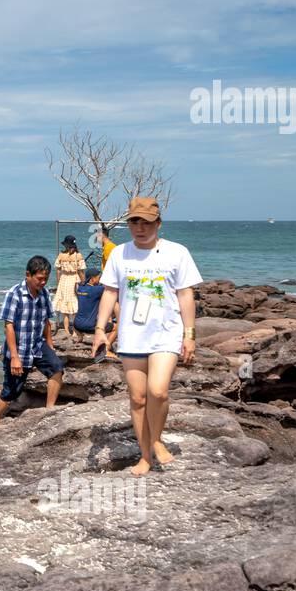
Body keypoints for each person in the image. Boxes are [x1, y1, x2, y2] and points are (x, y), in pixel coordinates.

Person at [91, 197, 202, 477]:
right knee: (138, 398)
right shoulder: (119, 254)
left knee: (158, 391)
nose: (140, 228)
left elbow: (186, 295)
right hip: (132, 336)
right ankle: (145, 456)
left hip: (166, 333)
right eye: (134, 222)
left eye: (147, 222)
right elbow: (110, 292)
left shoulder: (177, 252)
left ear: (158, 223)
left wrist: (189, 335)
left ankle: (156, 440)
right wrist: (100, 330)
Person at [0, 256, 65, 424]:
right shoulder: (15, 294)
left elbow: (46, 321)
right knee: (11, 392)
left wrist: (50, 345)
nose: (43, 282)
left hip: (38, 345)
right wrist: (15, 357)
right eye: (39, 278)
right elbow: (8, 326)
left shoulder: (44, 293)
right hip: (19, 349)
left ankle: (49, 410)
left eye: (46, 279)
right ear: (28, 275)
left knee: (56, 368)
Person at [73, 267, 118, 357]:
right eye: (98, 277)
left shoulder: (80, 288)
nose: (100, 279)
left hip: (76, 325)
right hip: (89, 326)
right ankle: (106, 350)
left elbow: (78, 286)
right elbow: (111, 291)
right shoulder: (97, 290)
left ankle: (80, 337)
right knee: (117, 327)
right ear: (92, 279)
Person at [52, 236, 86, 341]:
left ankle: (67, 330)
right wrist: (84, 283)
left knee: (64, 307)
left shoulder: (61, 255)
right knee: (75, 307)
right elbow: (81, 271)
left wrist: (58, 282)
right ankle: (75, 331)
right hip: (74, 279)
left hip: (64, 279)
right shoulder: (78, 255)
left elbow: (58, 270)